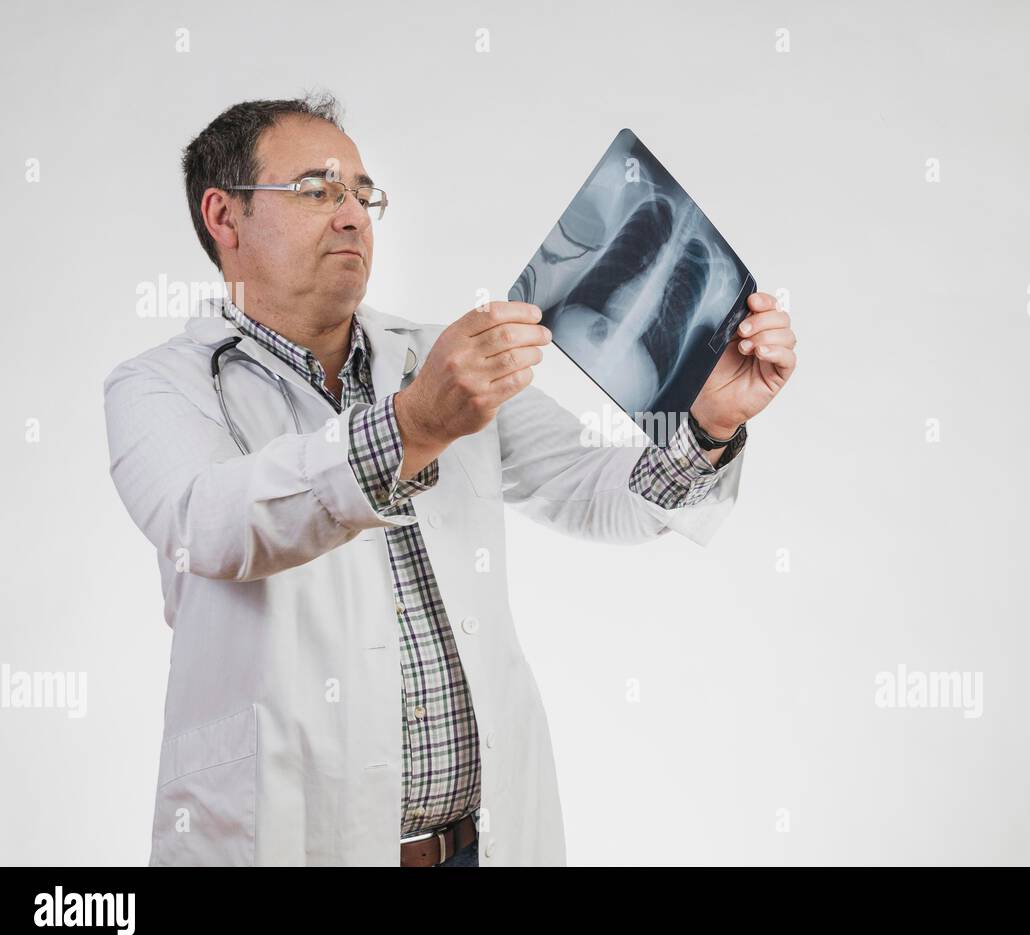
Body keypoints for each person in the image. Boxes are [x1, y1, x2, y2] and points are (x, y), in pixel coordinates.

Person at [103, 94, 797, 866]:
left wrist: (708, 425)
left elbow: (597, 495)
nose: (352, 216)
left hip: (480, 844)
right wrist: (413, 426)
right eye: (316, 189)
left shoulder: (432, 360)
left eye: (363, 193)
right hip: (288, 844)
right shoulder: (158, 387)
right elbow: (210, 526)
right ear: (224, 218)